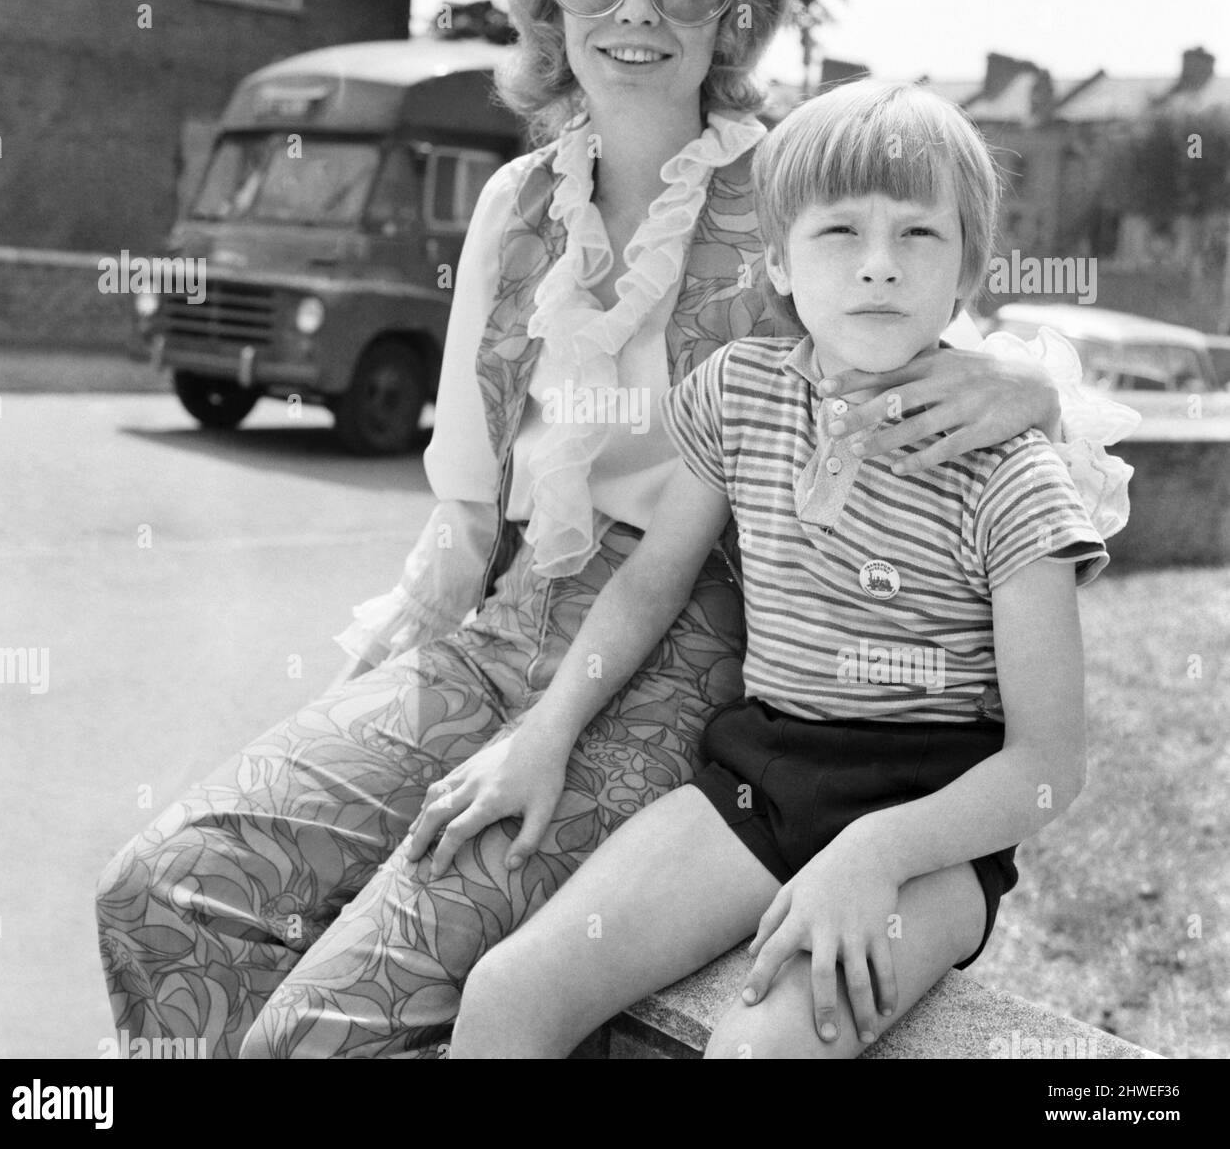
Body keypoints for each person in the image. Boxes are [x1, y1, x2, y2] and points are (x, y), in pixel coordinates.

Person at [95, 0, 1128, 1059]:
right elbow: (470, 516)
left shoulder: (797, 197)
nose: (636, 8)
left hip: (695, 658)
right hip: (511, 621)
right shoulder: (517, 206)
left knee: (338, 1013)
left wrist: (1029, 384)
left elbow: (926, 309)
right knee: (160, 888)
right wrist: (374, 711)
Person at [442, 80, 1124, 1059]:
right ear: (780, 263)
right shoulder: (744, 394)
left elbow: (1048, 770)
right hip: (761, 779)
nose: (879, 267)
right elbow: (649, 580)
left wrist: (876, 850)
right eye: (839, 231)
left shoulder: (1012, 476)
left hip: (933, 838)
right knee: (509, 993)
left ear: (967, 268)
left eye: (918, 236)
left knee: (756, 1054)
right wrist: (545, 730)